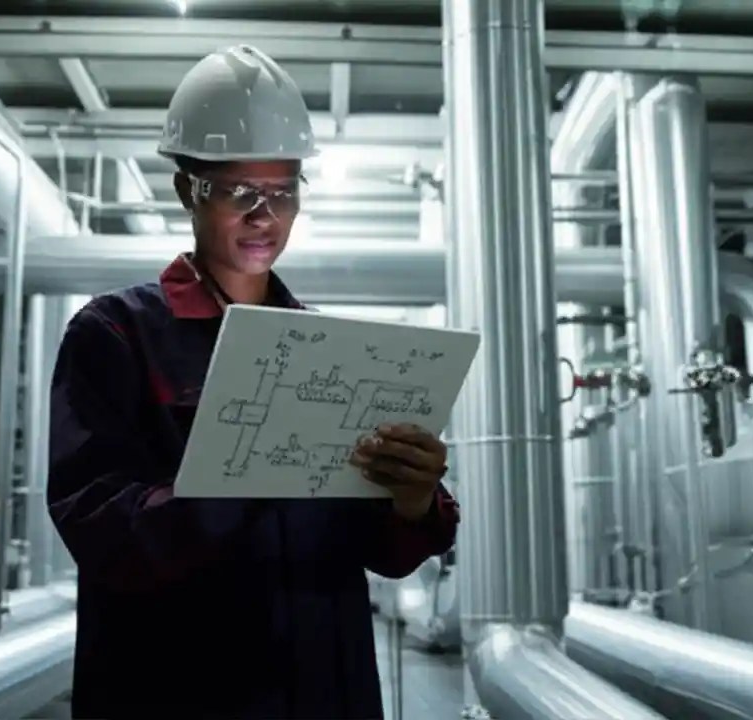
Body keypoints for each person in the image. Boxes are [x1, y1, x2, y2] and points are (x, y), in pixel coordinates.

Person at [45, 45, 460, 719]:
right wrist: (242, 471)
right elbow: (97, 527)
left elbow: (382, 552)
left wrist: (411, 500)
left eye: (283, 192)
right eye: (240, 192)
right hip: (174, 693)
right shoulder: (115, 333)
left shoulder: (337, 352)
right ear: (188, 190)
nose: (263, 216)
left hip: (328, 689)